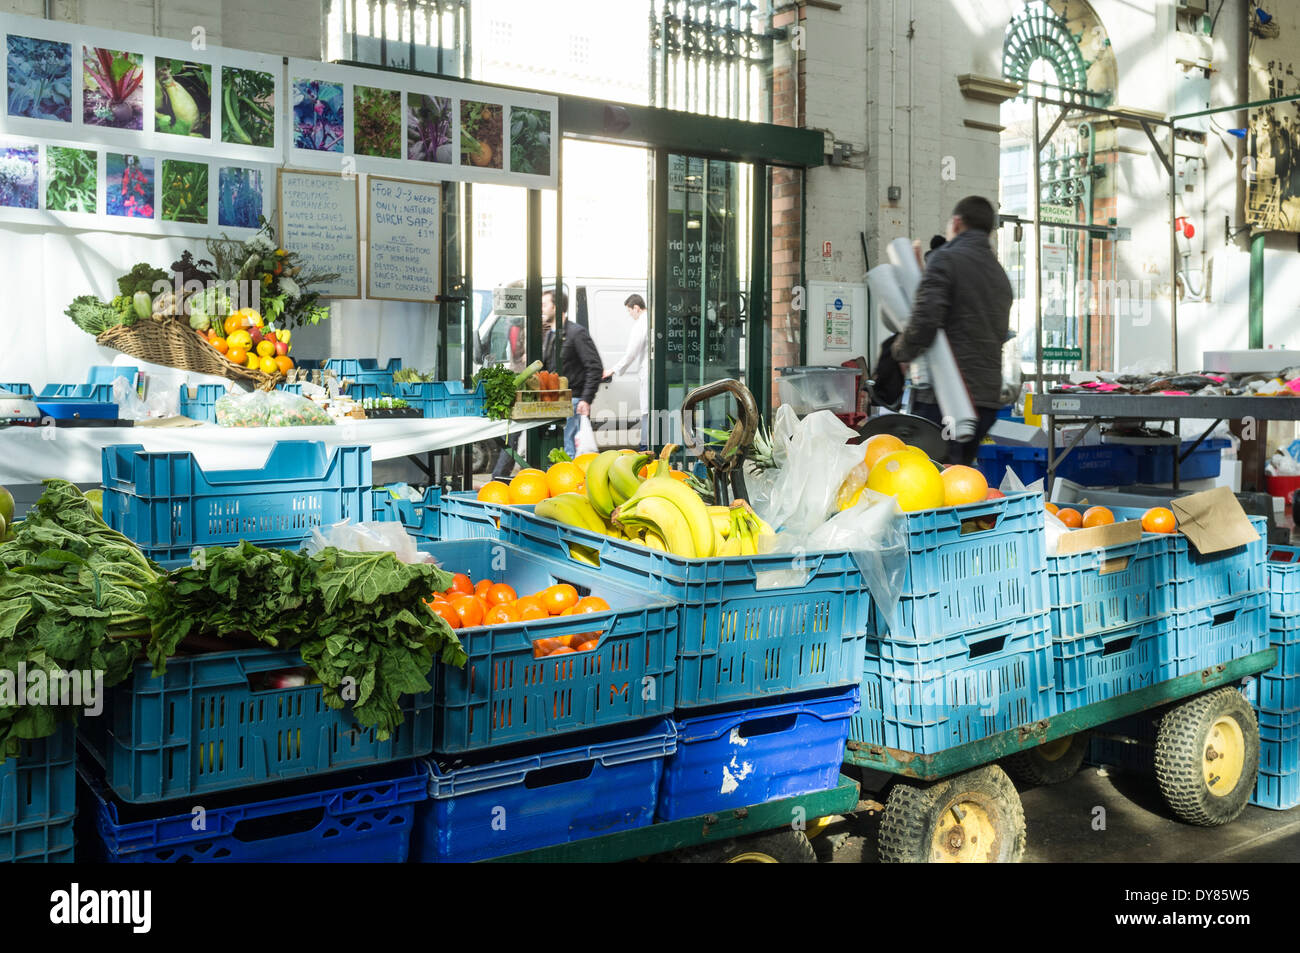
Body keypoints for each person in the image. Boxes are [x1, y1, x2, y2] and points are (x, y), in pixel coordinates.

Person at [891, 195, 1013, 466]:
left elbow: (925, 322)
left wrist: (899, 351)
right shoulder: (1000, 275)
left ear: (956, 223)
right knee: (960, 474)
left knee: (927, 473)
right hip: (985, 400)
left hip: (946, 396)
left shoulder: (946, 259)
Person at [543, 288, 604, 458]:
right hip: (556, 401)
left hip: (573, 400)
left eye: (544, 304)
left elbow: (595, 366)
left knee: (568, 449)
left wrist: (586, 398)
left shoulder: (576, 333)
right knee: (560, 449)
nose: (541, 308)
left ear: (555, 307)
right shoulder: (550, 334)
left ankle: (569, 482)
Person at [602, 293, 650, 451]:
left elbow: (631, 353)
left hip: (648, 375)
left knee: (647, 412)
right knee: (649, 412)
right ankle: (646, 445)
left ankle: (645, 447)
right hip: (649, 374)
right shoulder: (650, 319)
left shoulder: (642, 323)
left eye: (629, 311)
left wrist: (613, 370)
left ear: (636, 308)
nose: (630, 315)